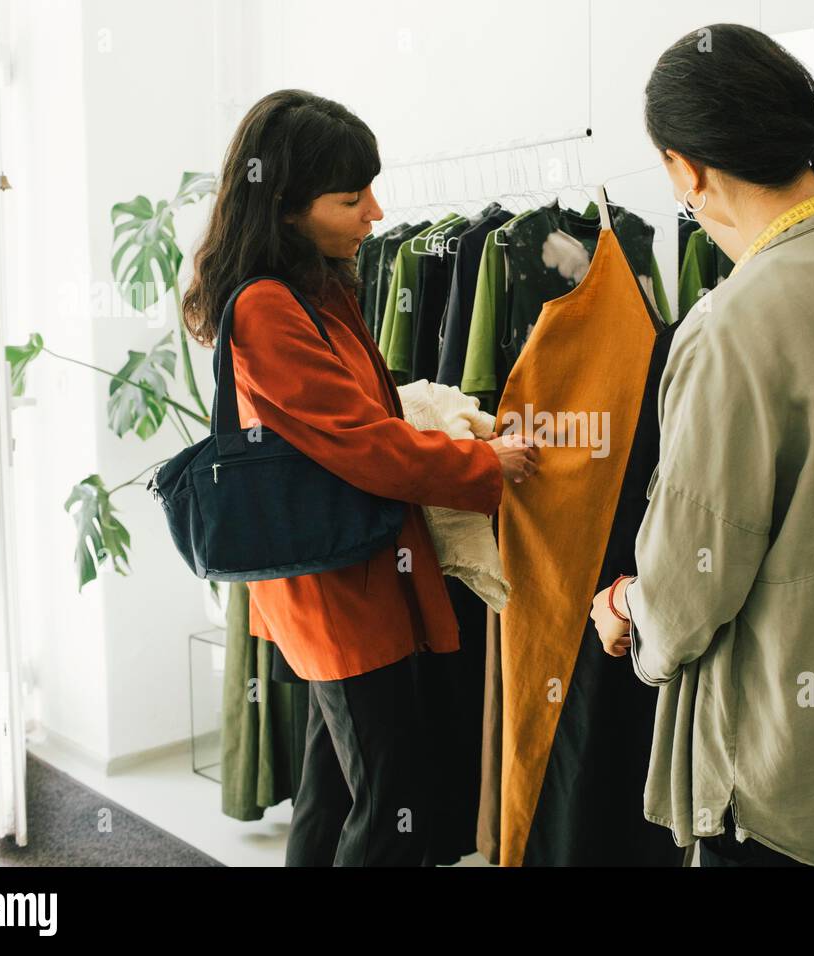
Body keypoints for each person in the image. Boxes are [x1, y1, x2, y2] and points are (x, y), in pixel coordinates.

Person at [590, 24, 814, 867]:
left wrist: (623, 612)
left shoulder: (730, 325)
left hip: (778, 761)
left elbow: (686, 588)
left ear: (686, 170)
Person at [182, 90, 538, 866]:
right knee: (390, 801)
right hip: (339, 586)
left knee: (338, 788)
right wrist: (486, 465)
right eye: (352, 197)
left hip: (345, 569)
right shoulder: (270, 308)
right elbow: (363, 444)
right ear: (283, 206)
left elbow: (350, 418)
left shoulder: (315, 286)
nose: (376, 212)